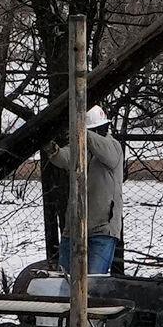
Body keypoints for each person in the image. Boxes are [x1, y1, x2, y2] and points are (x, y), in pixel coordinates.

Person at [48, 104, 125, 276]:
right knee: (65, 279)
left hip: (102, 228)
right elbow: (64, 158)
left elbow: (108, 155)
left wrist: (82, 131)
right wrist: (52, 149)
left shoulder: (113, 147)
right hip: (74, 228)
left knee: (93, 281)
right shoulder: (81, 149)